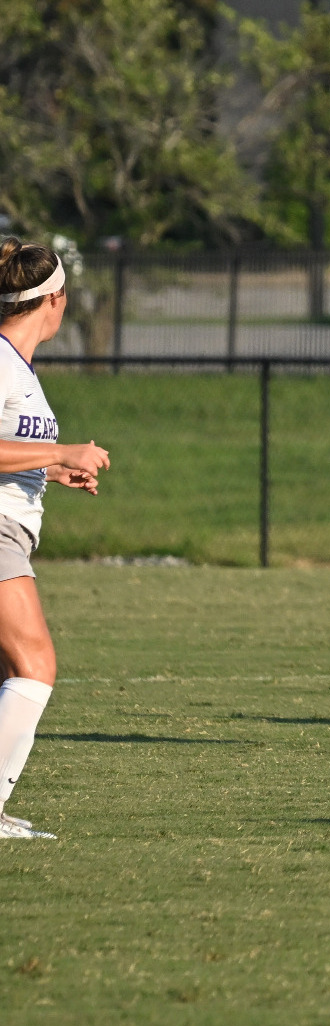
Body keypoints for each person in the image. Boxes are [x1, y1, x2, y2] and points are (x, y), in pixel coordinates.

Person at [0, 239, 114, 840]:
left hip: (12, 524)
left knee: (10, 670)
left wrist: (51, 469)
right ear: (56, 299)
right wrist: (59, 450)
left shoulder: (19, 368)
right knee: (35, 662)